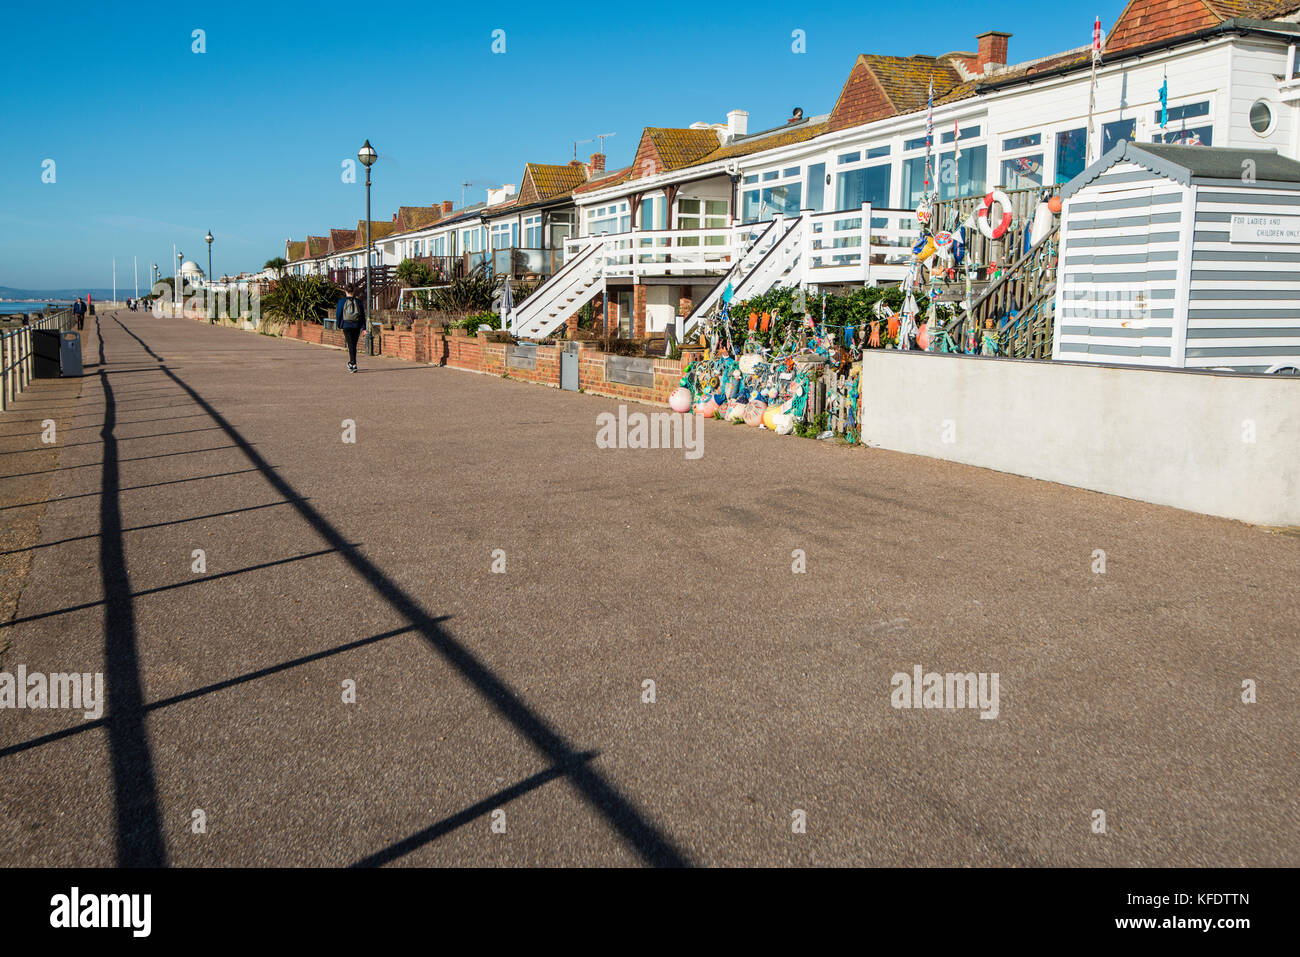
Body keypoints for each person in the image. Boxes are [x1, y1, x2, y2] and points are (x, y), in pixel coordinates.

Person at [335, 287, 366, 373]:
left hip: (346, 325)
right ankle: (353, 363)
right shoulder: (358, 302)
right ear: (354, 291)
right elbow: (362, 315)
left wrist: (339, 324)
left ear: (345, 291)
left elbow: (338, 314)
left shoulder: (342, 301)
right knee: (353, 345)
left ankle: (353, 363)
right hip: (356, 325)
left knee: (350, 344)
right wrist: (364, 328)